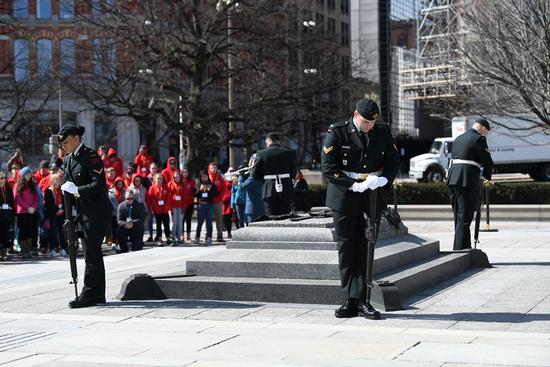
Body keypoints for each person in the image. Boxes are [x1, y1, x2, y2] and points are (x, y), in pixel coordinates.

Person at [321, 99, 399, 320]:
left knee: (367, 245)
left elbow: (393, 162)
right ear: (355, 115)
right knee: (347, 247)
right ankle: (349, 299)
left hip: (371, 194)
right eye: (366, 122)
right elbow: (328, 167)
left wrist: (383, 180)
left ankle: (364, 299)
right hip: (345, 194)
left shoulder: (382, 131)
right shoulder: (338, 132)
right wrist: (352, 184)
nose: (369, 126)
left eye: (373, 122)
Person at [57, 124, 111, 308]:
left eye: (66, 142)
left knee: (91, 252)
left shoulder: (91, 157)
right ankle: (97, 294)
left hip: (97, 211)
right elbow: (66, 182)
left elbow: (99, 184)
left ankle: (89, 293)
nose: (63, 146)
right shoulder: (69, 159)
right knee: (91, 252)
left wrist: (78, 190)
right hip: (83, 212)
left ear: (76, 138)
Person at [447, 118, 494, 251]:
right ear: (483, 129)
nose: (486, 135)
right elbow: (488, 162)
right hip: (466, 181)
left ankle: (463, 246)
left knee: (458, 216)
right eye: (486, 132)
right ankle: (460, 250)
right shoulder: (479, 139)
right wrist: (487, 177)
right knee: (465, 216)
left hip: (452, 180)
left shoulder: (459, 138)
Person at [251, 132, 296, 216]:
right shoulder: (288, 153)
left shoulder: (261, 153)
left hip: (269, 188)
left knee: (271, 216)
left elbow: (254, 174)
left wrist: (266, 179)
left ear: (268, 141)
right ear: (279, 141)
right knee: (285, 216)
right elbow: (293, 172)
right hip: (286, 187)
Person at [14, 167, 39, 259]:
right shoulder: (18, 185)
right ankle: (23, 250)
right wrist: (27, 208)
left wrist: (33, 207)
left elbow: (37, 198)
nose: (28, 175)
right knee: (23, 231)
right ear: (23, 175)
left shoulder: (33, 185)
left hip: (32, 212)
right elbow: (17, 199)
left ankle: (28, 251)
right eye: (26, 174)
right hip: (22, 212)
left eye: (29, 174)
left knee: (31, 231)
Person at [43, 172, 67, 257]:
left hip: (61, 214)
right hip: (53, 215)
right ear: (53, 181)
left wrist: (62, 210)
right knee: (53, 232)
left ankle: (63, 248)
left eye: (59, 179)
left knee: (62, 232)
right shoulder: (48, 191)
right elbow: (48, 204)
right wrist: (56, 210)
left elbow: (64, 202)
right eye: (57, 180)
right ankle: (53, 248)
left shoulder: (61, 191)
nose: (59, 181)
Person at [193, 171, 219, 245]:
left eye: (205, 177)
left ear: (208, 177)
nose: (204, 178)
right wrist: (200, 190)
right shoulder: (198, 185)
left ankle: (209, 237)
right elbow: (195, 194)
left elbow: (216, 194)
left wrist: (209, 190)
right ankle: (197, 237)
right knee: (200, 222)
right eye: (202, 177)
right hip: (201, 205)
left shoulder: (211, 185)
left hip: (209, 205)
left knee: (209, 222)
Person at [147, 173, 172, 245]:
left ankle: (168, 238)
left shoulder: (166, 188)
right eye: (158, 178)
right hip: (156, 210)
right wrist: (153, 208)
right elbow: (150, 199)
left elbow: (168, 198)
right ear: (154, 179)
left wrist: (166, 208)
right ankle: (160, 239)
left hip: (164, 210)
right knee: (158, 225)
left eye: (160, 178)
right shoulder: (152, 188)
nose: (159, 180)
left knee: (166, 224)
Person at [242, 154, 264, 224]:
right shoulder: (262, 174)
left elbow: (242, 187)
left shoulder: (253, 176)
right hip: (261, 208)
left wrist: (240, 178)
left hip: (252, 209)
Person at [208, 162, 226, 242]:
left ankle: (219, 235)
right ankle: (209, 236)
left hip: (218, 201)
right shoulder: (207, 177)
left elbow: (223, 189)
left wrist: (219, 197)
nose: (213, 169)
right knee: (208, 219)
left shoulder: (219, 178)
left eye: (215, 168)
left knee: (219, 219)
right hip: (209, 201)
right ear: (209, 169)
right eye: (212, 168)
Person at [0, 170, 15, 260]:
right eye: (1, 178)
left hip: (6, 215)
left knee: (6, 233)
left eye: (5, 178)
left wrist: (10, 208)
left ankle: (4, 251)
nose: (4, 180)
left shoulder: (8, 188)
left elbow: (11, 201)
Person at [108, 177, 126, 252]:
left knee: (121, 228)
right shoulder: (111, 192)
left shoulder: (125, 192)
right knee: (114, 228)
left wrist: (120, 209)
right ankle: (114, 242)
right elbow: (110, 202)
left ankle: (120, 242)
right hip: (114, 213)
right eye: (118, 184)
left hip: (122, 213)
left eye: (121, 184)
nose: (119, 185)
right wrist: (117, 209)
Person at [168, 171, 185, 244]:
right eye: (175, 177)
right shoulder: (170, 185)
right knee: (173, 223)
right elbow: (168, 197)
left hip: (180, 206)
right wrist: (170, 208)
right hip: (173, 206)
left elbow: (185, 197)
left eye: (178, 177)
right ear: (173, 177)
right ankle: (173, 238)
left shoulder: (182, 185)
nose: (177, 178)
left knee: (180, 223)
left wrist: (184, 207)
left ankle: (179, 238)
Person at [181, 168, 195, 243]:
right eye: (183, 172)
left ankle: (188, 236)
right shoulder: (179, 181)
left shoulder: (191, 181)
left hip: (189, 203)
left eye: (186, 172)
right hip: (181, 204)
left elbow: (194, 191)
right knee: (182, 220)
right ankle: (182, 235)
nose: (184, 173)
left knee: (188, 220)